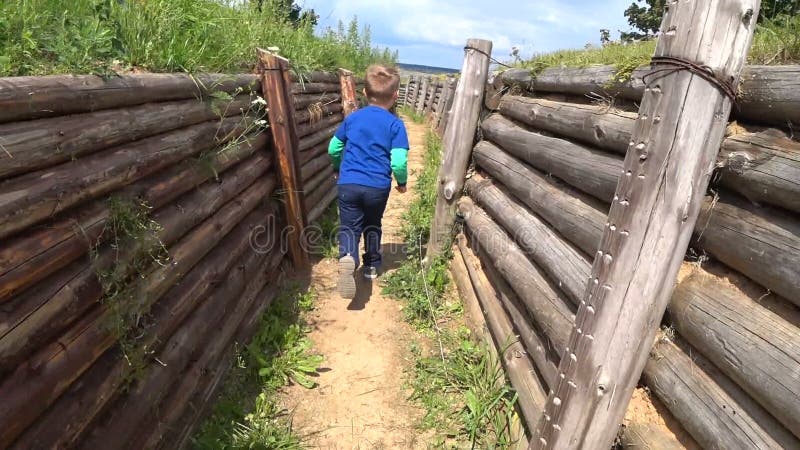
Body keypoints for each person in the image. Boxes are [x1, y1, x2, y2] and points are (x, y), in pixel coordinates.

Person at [327, 64, 409, 299]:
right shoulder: (395, 125)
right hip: (376, 187)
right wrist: (401, 182)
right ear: (395, 96)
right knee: (373, 223)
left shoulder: (353, 118)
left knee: (349, 227)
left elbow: (334, 148)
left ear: (364, 93)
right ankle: (371, 265)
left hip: (348, 184)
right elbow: (398, 162)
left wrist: (337, 167)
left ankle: (348, 256)